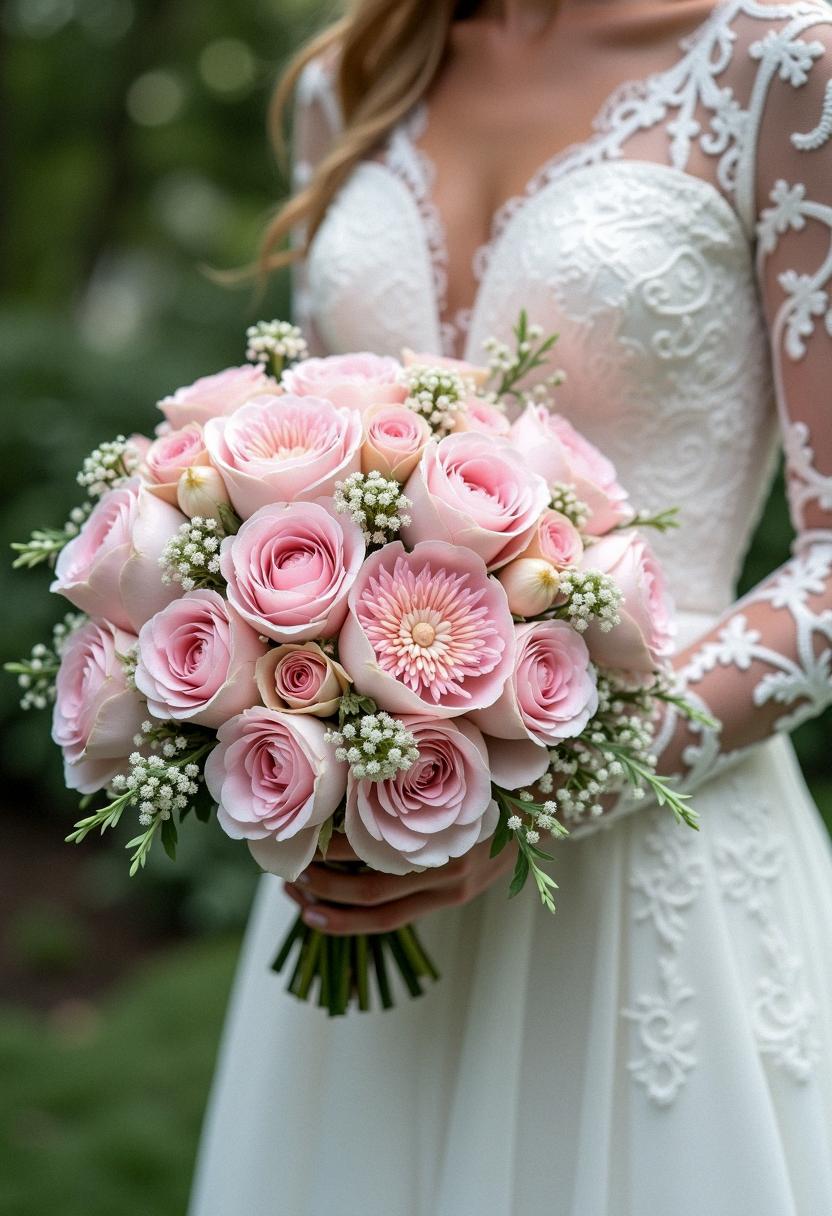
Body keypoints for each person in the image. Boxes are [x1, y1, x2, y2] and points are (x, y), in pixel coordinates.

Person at [189, 0, 832, 1211]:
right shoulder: (354, 73)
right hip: (367, 879)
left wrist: (550, 785)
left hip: (655, 874)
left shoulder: (784, 67)